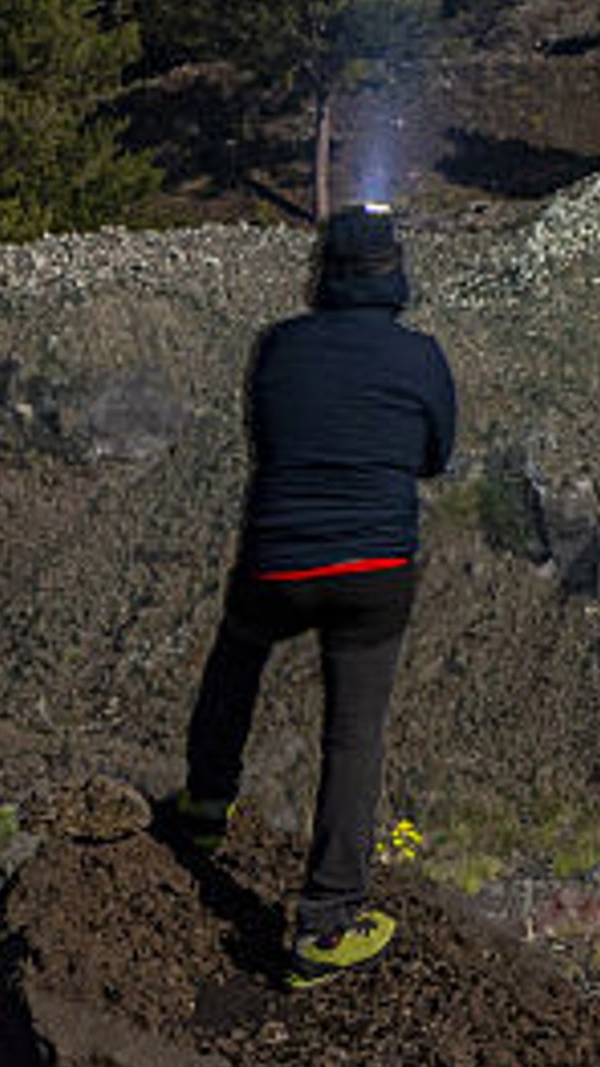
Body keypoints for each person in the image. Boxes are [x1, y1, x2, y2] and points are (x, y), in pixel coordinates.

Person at [173, 205, 457, 987]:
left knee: (239, 649)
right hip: (374, 573)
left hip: (280, 557)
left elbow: (264, 439)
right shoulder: (421, 356)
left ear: (320, 271)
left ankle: (204, 802)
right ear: (395, 270)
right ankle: (327, 923)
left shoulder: (279, 346)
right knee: (352, 737)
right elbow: (437, 456)